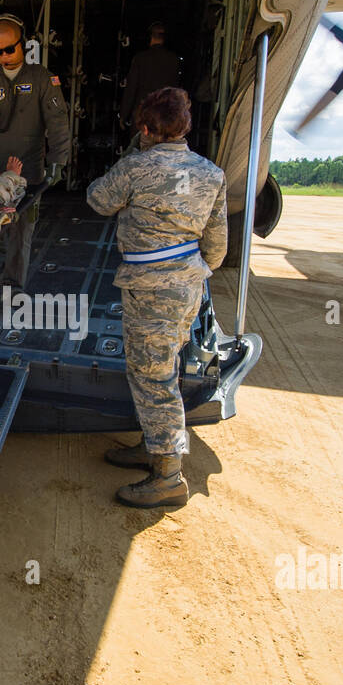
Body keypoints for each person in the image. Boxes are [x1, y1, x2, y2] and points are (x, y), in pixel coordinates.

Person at [86, 87, 226, 509]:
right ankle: (156, 445)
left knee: (154, 377)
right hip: (188, 285)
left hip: (150, 289)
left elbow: (97, 199)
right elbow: (217, 248)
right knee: (166, 368)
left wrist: (132, 154)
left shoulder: (135, 168)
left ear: (146, 128)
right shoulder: (211, 173)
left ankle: (168, 475)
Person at [0, 13, 71, 289]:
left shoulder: (43, 79)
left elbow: (58, 123)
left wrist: (58, 162)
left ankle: (12, 279)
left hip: (29, 170)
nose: (5, 55)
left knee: (21, 228)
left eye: (10, 48)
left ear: (24, 44)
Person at [119, 22, 182, 133]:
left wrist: (124, 115)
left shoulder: (140, 58)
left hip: (143, 112)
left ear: (151, 37)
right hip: (164, 114)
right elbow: (177, 89)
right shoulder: (174, 60)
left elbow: (131, 88)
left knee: (139, 146)